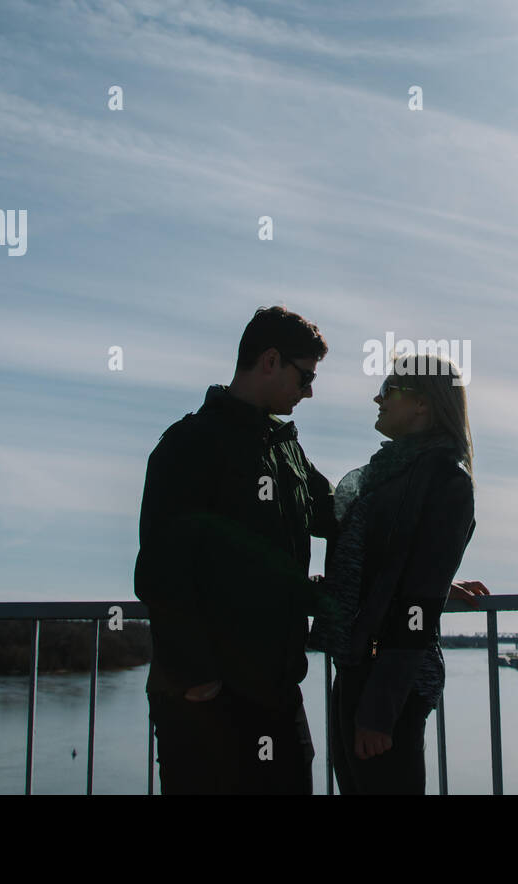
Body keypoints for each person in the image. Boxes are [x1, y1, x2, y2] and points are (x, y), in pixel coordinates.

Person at [133, 306, 336, 794]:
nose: (309, 390)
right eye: (305, 376)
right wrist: (198, 677)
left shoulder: (287, 448)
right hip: (205, 703)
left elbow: (340, 515)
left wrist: (428, 580)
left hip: (276, 693)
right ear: (270, 360)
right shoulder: (189, 445)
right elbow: (160, 571)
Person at [310, 352, 486, 794]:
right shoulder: (386, 475)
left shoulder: (447, 481)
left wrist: (379, 711)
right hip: (356, 670)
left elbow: (417, 607)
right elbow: (386, 569)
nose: (377, 398)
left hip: (389, 689)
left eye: (388, 390)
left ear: (422, 403)